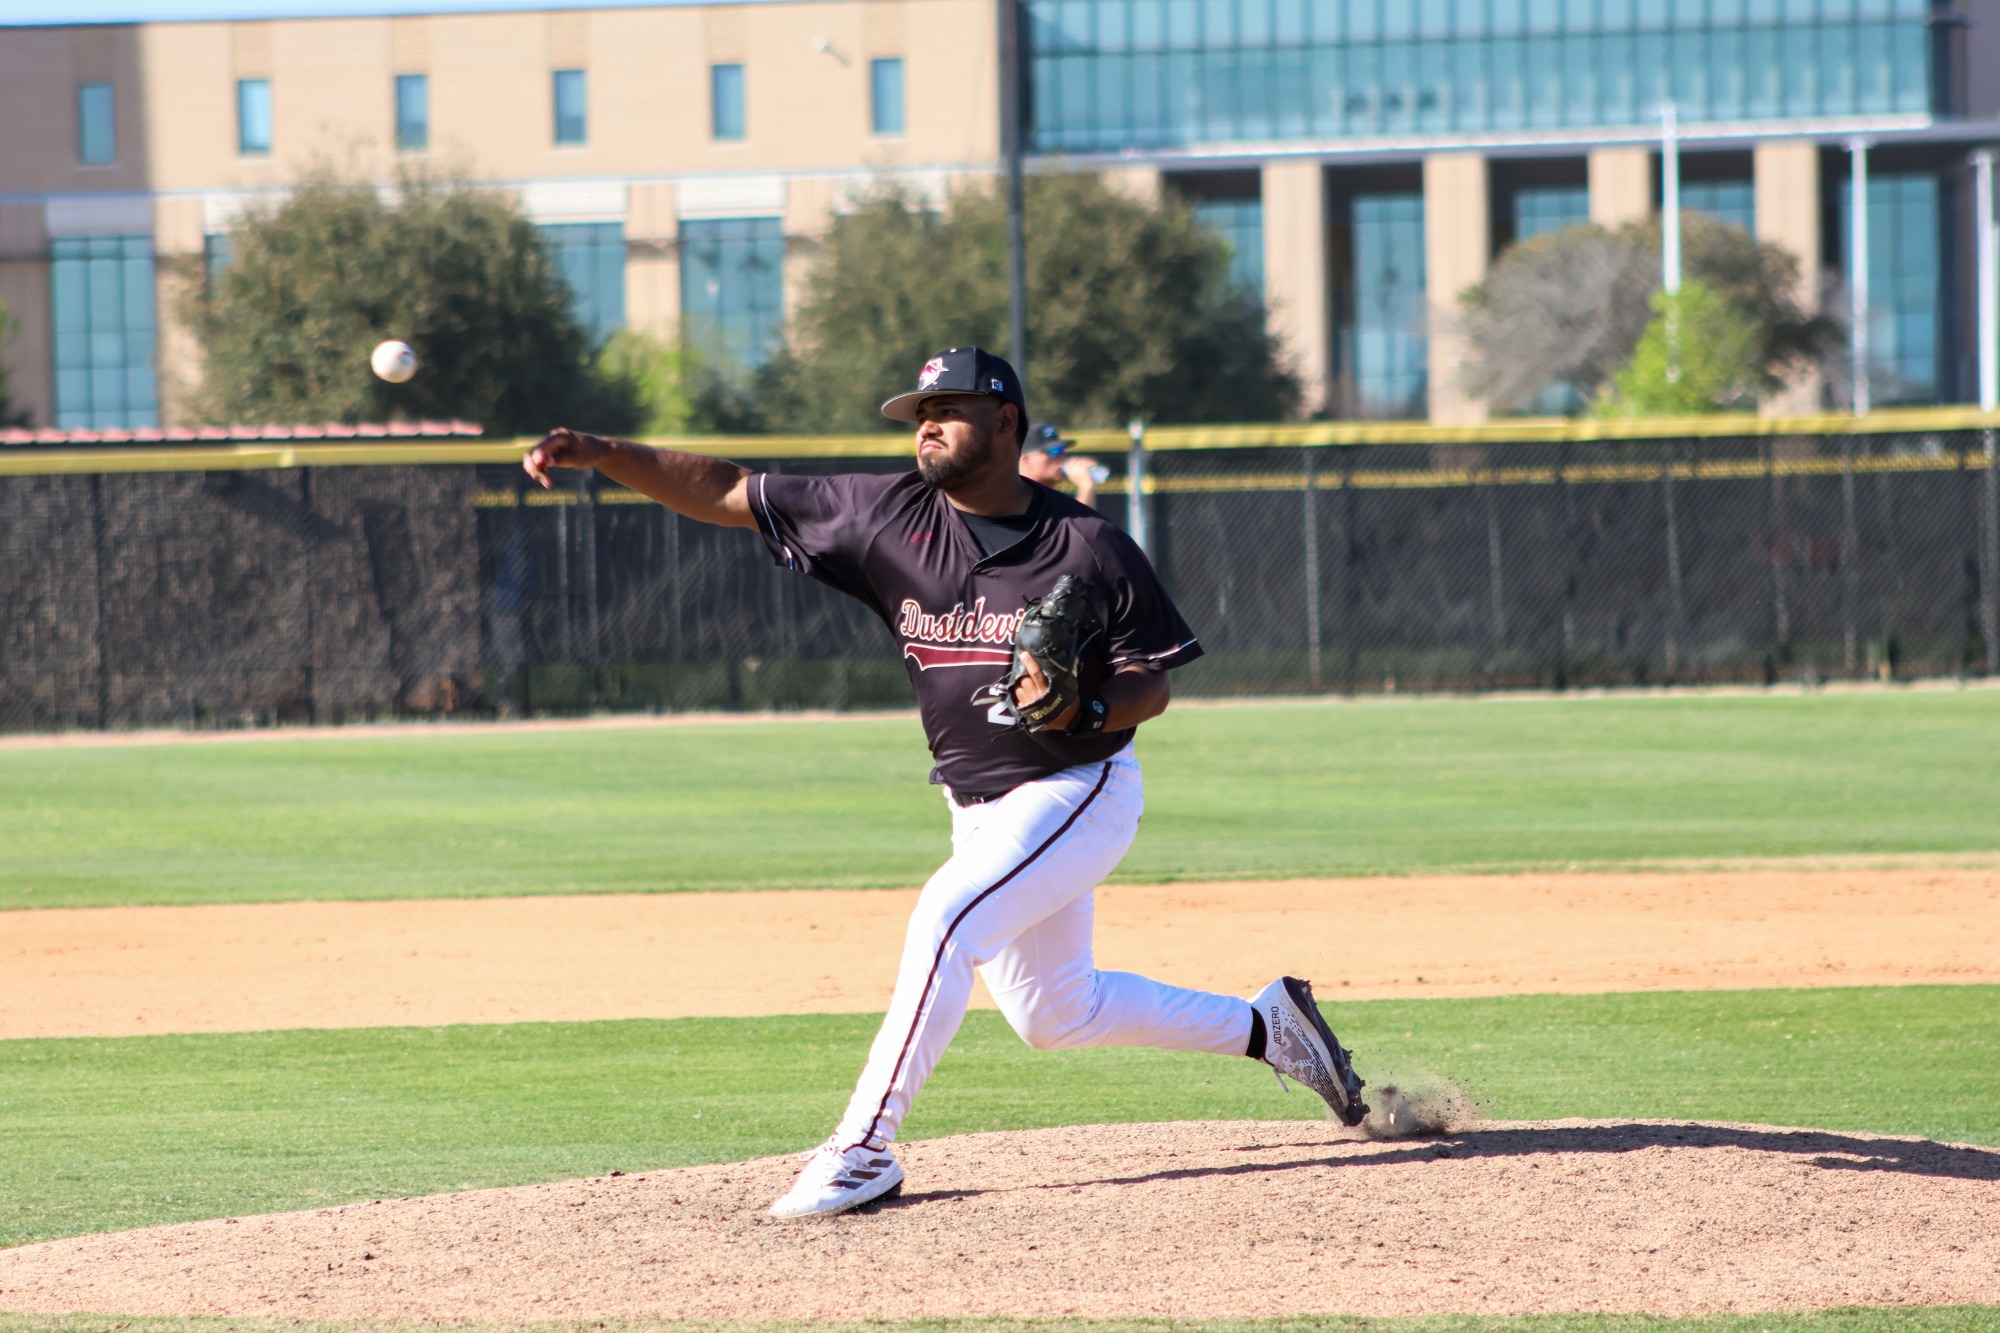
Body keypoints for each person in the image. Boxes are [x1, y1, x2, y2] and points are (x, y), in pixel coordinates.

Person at [522, 345, 1367, 1221]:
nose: (926, 423)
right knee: (1055, 1012)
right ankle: (1276, 1030)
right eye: (919, 410)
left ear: (1005, 421)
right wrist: (604, 451)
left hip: (1076, 786)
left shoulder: (1087, 542)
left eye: (950, 408)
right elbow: (731, 490)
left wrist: (1089, 708)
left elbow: (1153, 678)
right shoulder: (883, 514)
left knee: (946, 917)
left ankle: (862, 1149)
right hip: (974, 803)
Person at [1019, 421, 1105, 509]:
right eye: (1054, 451)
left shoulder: (1051, 500)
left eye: (1063, 450)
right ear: (1024, 458)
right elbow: (1080, 522)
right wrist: (1085, 488)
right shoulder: (1014, 500)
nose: (1062, 456)